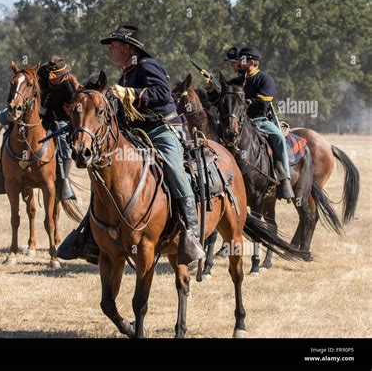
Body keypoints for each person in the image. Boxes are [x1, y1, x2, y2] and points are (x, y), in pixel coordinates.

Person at [57, 25, 205, 265]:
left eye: (113, 46)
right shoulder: (126, 72)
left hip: (161, 129)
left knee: (175, 170)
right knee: (103, 173)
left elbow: (162, 95)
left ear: (127, 48)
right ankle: (90, 235)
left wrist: (131, 94)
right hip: (135, 133)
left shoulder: (148, 66)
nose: (110, 50)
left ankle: (191, 230)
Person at [206, 47, 294, 200]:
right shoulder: (236, 81)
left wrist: (243, 102)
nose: (239, 63)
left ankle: (285, 177)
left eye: (242, 60)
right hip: (237, 122)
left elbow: (263, 104)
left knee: (278, 137)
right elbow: (221, 103)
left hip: (259, 120)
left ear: (252, 62)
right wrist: (211, 91)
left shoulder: (264, 79)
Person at [0, 56, 76, 200]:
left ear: (64, 76)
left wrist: (47, 112)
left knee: (64, 145)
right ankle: (0, 173)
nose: (52, 78)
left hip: (55, 117)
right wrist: (12, 107)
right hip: (27, 110)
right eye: (51, 75)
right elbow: (17, 88)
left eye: (56, 76)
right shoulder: (42, 72)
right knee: (4, 121)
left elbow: (66, 113)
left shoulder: (69, 90)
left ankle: (63, 181)